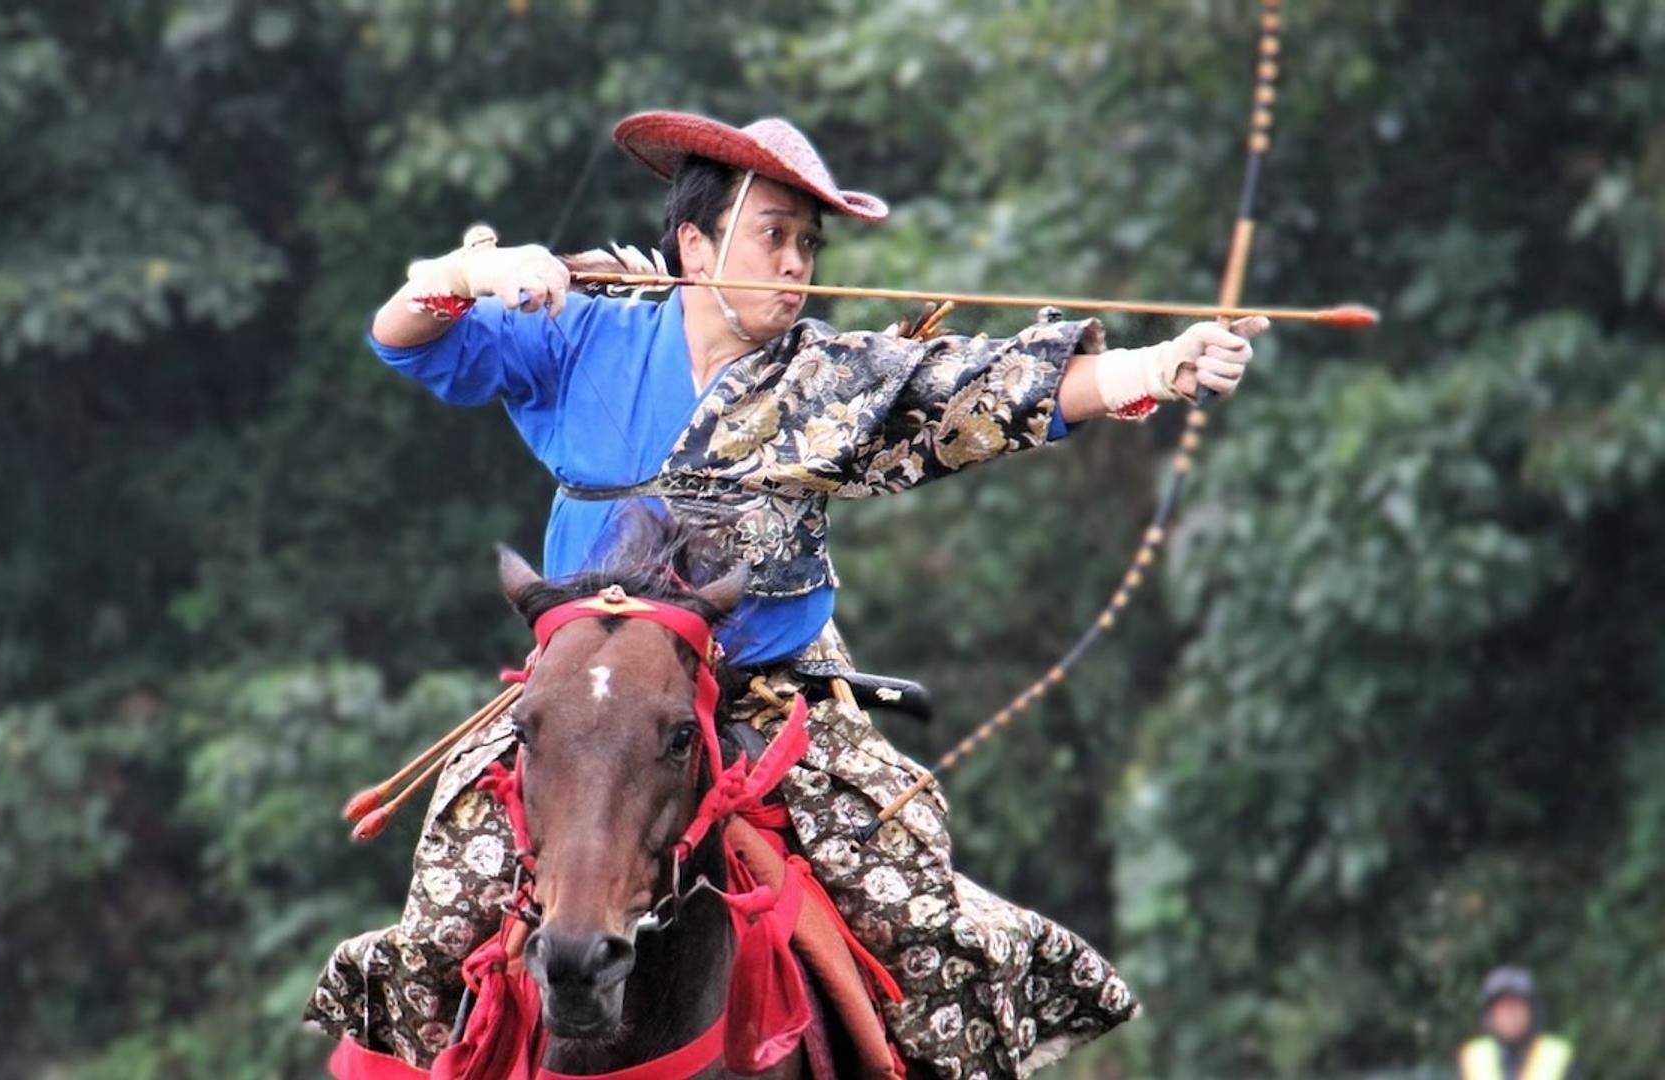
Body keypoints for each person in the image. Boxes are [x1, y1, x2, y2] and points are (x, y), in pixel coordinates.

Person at [305, 110, 1267, 1078]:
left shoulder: (826, 378)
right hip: (587, 697)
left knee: (920, 917)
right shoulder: (579, 334)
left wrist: (1156, 366)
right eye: (773, 234)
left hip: (773, 697)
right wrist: (470, 276)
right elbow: (406, 340)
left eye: (809, 242)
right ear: (695, 243)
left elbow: (976, 390)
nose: (797, 262)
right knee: (439, 910)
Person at [1458, 966, 1576, 1080]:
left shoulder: (1556, 1056)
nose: (1510, 1016)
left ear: (1532, 1012)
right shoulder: (1474, 1058)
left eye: (1516, 1007)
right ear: (1490, 1016)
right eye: (1502, 1009)